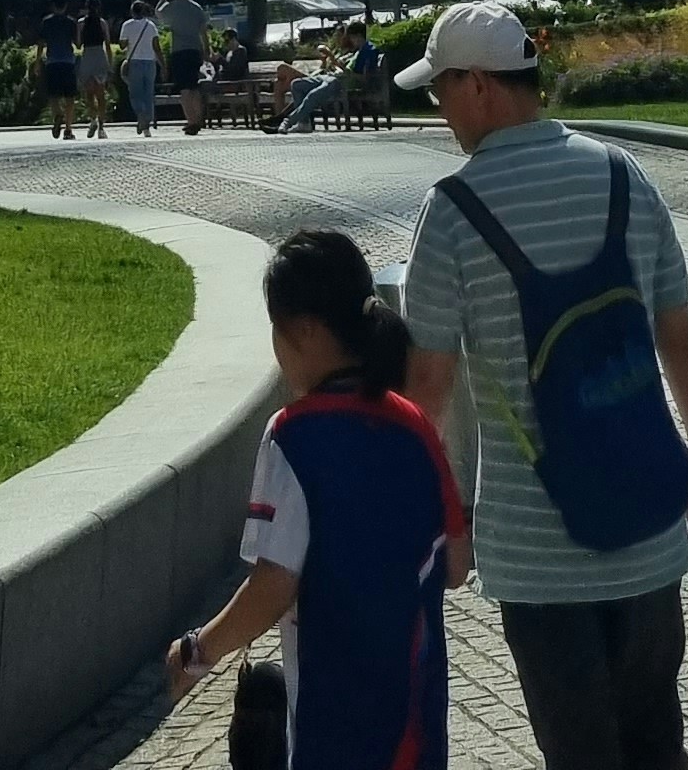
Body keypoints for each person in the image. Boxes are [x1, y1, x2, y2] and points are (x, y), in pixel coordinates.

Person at [398, 0, 688, 770]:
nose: (441, 108)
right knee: (655, 741)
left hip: (535, 552)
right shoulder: (624, 177)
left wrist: (444, 521)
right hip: (650, 528)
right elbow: (679, 339)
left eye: (441, 89)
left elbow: (429, 389)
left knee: (580, 754)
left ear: (478, 85)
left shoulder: (451, 215)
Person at [165, 227, 469, 769]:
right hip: (416, 723)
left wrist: (198, 651)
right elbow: (455, 567)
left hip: (337, 727)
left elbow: (274, 585)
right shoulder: (418, 428)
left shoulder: (293, 437)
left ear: (302, 330)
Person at [156, 0, 211, 137]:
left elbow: (157, 12)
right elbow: (203, 32)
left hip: (179, 51)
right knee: (194, 86)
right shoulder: (196, 7)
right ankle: (198, 118)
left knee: (184, 89)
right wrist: (207, 50)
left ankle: (191, 121)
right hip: (195, 50)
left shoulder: (170, 7)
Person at [119, 0, 161, 139]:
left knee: (135, 93)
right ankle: (146, 123)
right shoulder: (151, 26)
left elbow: (122, 45)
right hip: (150, 62)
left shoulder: (127, 25)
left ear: (132, 11)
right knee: (148, 93)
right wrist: (163, 64)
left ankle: (140, 114)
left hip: (135, 61)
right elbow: (157, 46)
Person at [40, 0, 80, 142]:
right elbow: (77, 43)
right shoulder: (71, 22)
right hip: (68, 61)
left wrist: (38, 62)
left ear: (52, 6)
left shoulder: (46, 22)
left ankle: (57, 114)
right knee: (70, 97)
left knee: (53, 95)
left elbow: (40, 43)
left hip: (52, 61)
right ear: (65, 6)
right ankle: (68, 129)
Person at [78, 0, 114, 142]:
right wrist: (110, 65)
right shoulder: (102, 23)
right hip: (99, 55)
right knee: (101, 94)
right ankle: (101, 126)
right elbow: (108, 44)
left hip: (87, 55)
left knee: (89, 93)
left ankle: (92, 119)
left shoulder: (81, 23)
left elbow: (79, 43)